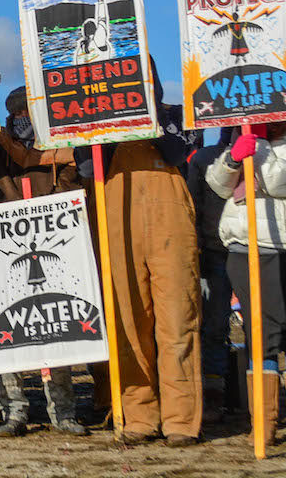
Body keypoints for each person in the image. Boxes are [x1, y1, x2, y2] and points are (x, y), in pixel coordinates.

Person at [74, 67, 201, 447]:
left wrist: (150, 112)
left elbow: (179, 150)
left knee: (178, 319)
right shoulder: (96, 119)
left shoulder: (180, 114)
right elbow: (85, 167)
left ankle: (182, 419)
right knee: (128, 320)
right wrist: (98, 124)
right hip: (117, 220)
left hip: (170, 223)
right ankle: (138, 414)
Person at [0, 87, 87, 437]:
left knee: (54, 324)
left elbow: (69, 189)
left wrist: (44, 204)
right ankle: (13, 409)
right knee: (8, 330)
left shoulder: (60, 150)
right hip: (6, 254)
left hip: (52, 247)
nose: (25, 121)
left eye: (30, 114)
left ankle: (63, 410)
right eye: (19, 115)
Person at [205, 122, 286, 449]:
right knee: (258, 335)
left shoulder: (277, 144)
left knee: (278, 328)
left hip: (279, 247)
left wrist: (261, 148)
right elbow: (217, 185)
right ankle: (263, 424)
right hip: (242, 247)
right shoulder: (240, 137)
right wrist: (233, 160)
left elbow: (279, 183)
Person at [186, 127, 236, 425]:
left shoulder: (271, 155)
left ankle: (253, 388)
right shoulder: (204, 158)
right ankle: (213, 392)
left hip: (262, 248)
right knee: (214, 325)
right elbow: (192, 205)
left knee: (265, 325)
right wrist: (198, 247)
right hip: (215, 251)